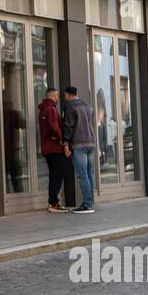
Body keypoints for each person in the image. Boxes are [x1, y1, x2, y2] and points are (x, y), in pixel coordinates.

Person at [62, 86, 97, 214]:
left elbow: (68, 127)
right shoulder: (88, 106)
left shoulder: (70, 106)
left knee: (82, 175)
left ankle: (87, 204)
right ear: (77, 93)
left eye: (65, 96)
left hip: (79, 144)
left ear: (67, 95)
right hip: (90, 143)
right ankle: (90, 201)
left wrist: (65, 143)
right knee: (88, 173)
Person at [37, 87, 69, 211]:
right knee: (57, 175)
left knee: (54, 175)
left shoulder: (43, 110)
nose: (57, 99)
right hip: (54, 148)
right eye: (56, 96)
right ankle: (53, 203)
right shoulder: (51, 110)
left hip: (48, 148)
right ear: (53, 96)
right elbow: (53, 127)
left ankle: (53, 203)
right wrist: (61, 140)